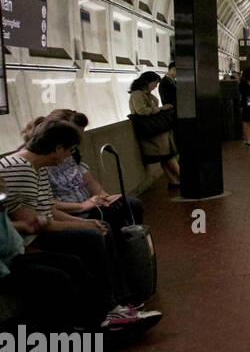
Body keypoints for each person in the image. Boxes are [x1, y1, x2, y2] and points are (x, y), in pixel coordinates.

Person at [0, 120, 156, 326]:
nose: (68, 158)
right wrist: (82, 225)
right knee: (90, 238)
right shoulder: (21, 170)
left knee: (99, 228)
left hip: (34, 231)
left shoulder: (37, 167)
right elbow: (34, 224)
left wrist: (85, 221)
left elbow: (49, 210)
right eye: (68, 151)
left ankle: (118, 300)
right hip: (26, 239)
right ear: (57, 148)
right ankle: (110, 306)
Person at [43, 110, 145, 236]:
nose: (77, 142)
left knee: (131, 205)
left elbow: (89, 182)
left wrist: (105, 197)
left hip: (89, 205)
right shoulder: (44, 162)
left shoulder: (72, 154)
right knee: (107, 223)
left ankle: (134, 245)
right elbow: (46, 203)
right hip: (72, 211)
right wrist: (82, 206)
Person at [128, 71, 181, 187]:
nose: (156, 86)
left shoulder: (147, 94)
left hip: (156, 130)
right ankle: (181, 178)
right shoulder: (137, 94)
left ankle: (173, 181)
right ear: (148, 82)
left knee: (164, 157)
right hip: (152, 130)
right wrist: (161, 109)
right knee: (168, 156)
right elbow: (141, 111)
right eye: (155, 83)